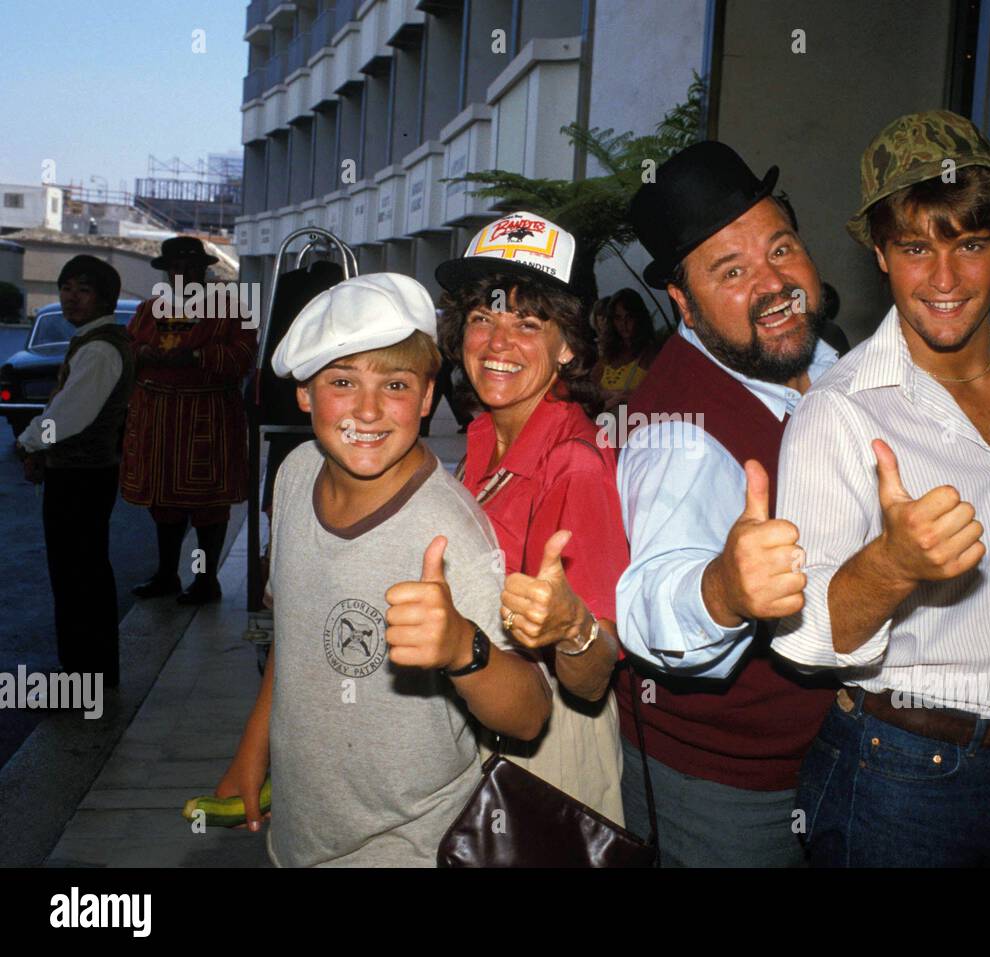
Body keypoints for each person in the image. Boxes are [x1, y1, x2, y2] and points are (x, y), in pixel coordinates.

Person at [773, 110, 990, 867]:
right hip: (900, 783)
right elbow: (802, 633)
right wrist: (892, 564)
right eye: (914, 248)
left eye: (969, 244)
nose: (944, 278)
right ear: (879, 253)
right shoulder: (838, 412)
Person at [215, 272, 552, 865]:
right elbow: (297, 640)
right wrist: (253, 747)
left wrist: (461, 647)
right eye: (341, 382)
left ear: (425, 399)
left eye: (394, 385)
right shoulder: (294, 475)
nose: (367, 411)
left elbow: (528, 715)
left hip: (409, 842)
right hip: (301, 830)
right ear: (304, 394)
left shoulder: (450, 537)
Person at [614, 142, 840, 866]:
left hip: (839, 757)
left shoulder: (832, 356)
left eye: (782, 248)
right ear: (682, 302)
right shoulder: (678, 430)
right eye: (732, 271)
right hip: (727, 793)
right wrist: (723, 590)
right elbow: (649, 598)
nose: (774, 284)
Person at [435, 212, 629, 822]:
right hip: (484, 711)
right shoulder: (482, 434)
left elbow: (592, 679)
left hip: (549, 742)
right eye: (482, 318)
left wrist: (572, 629)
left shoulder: (573, 463)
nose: (496, 343)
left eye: (527, 323)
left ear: (567, 344)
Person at [16, 256, 135, 687]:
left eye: (83, 289)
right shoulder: (94, 342)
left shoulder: (101, 348)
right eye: (66, 288)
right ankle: (89, 671)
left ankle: (87, 675)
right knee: (81, 576)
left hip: (82, 479)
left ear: (104, 297)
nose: (71, 298)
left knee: (78, 579)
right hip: (84, 474)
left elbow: (67, 415)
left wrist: (28, 441)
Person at [121, 236, 255, 605]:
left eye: (190, 268)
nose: (182, 274)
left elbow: (243, 357)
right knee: (163, 500)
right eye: (175, 268)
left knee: (208, 503)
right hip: (158, 417)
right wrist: (143, 351)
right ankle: (166, 574)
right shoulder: (150, 309)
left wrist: (196, 357)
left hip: (206, 416)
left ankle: (205, 580)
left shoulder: (233, 310)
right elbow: (127, 348)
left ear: (204, 270)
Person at [592, 288, 659, 410]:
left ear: (639, 318)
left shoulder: (650, 354)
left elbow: (659, 397)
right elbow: (589, 390)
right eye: (618, 318)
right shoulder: (608, 355)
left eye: (629, 317)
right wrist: (614, 396)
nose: (624, 323)